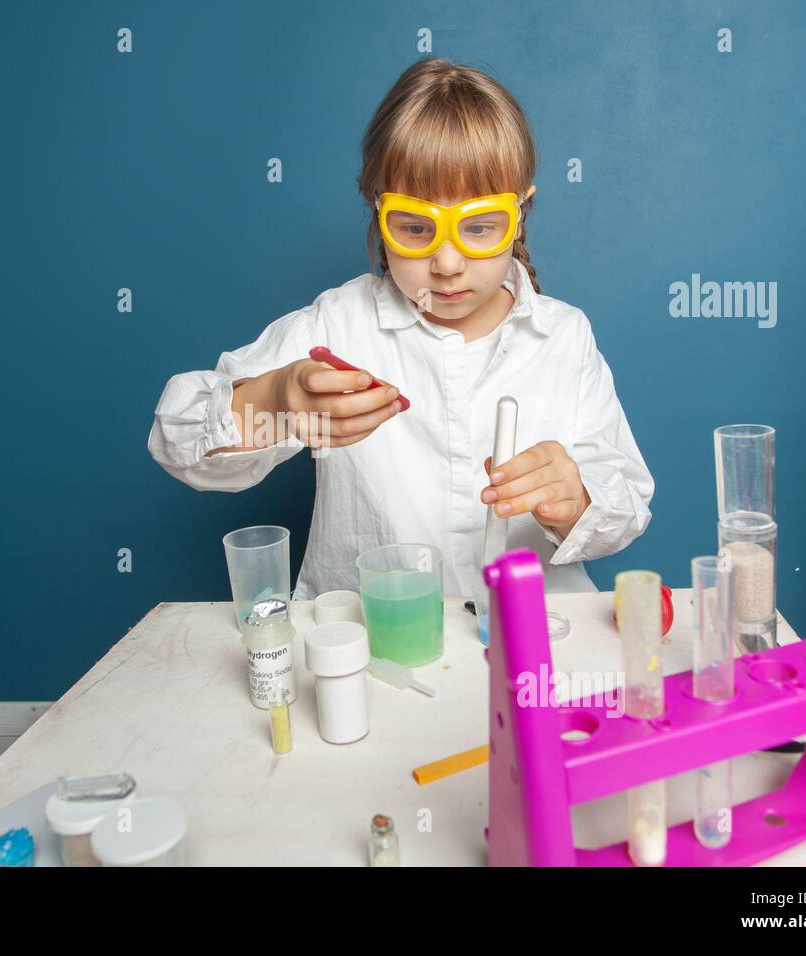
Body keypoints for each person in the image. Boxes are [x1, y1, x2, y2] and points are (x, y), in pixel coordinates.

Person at [149, 57, 654, 600]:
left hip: (530, 644)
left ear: (520, 214)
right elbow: (175, 440)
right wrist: (275, 398)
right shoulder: (338, 325)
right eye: (415, 228)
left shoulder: (564, 337)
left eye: (479, 227)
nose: (447, 263)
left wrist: (576, 500)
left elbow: (628, 505)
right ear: (377, 211)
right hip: (372, 649)